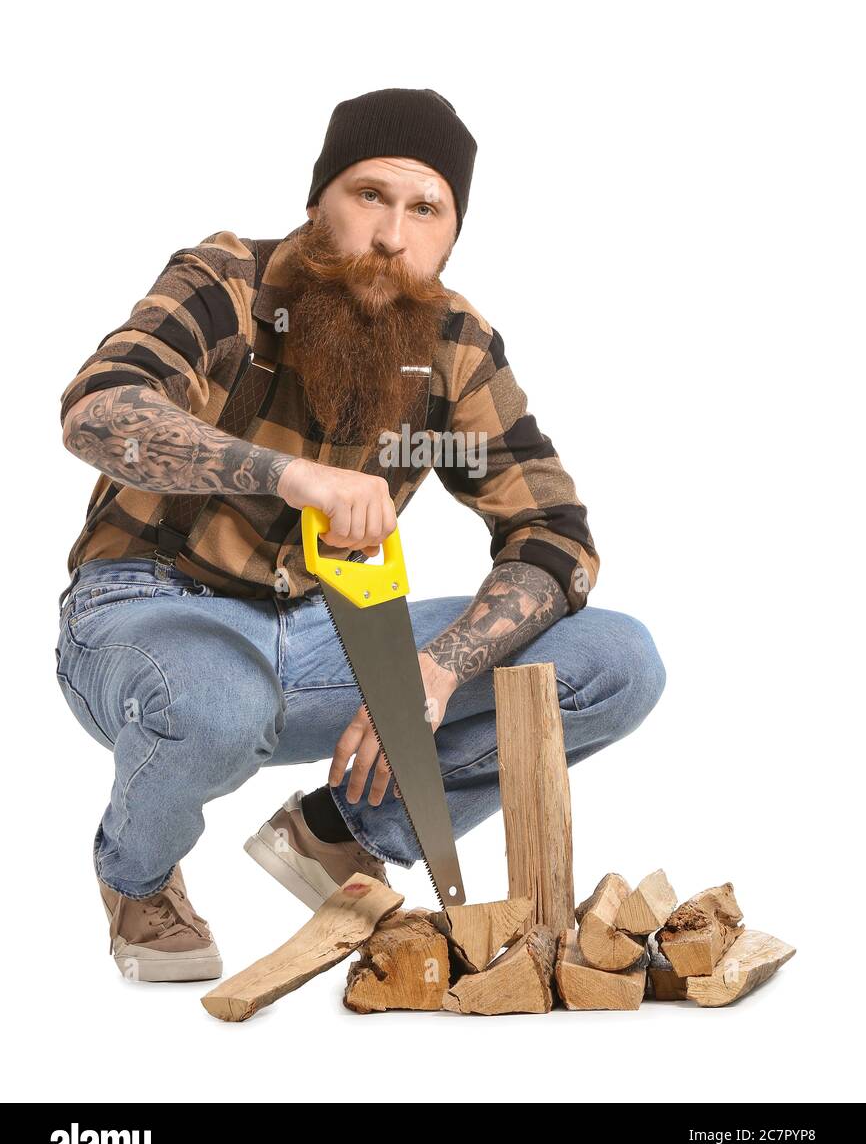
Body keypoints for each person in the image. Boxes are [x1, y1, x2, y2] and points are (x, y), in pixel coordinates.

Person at [56, 86, 666, 982]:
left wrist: (440, 667)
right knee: (221, 705)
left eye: (426, 208)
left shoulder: (455, 344)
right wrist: (290, 476)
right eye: (369, 195)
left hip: (322, 634)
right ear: (318, 203)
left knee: (618, 661)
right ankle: (136, 876)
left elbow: (551, 531)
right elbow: (99, 408)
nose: (392, 235)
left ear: (452, 230)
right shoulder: (226, 279)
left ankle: (336, 832)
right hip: (145, 615)